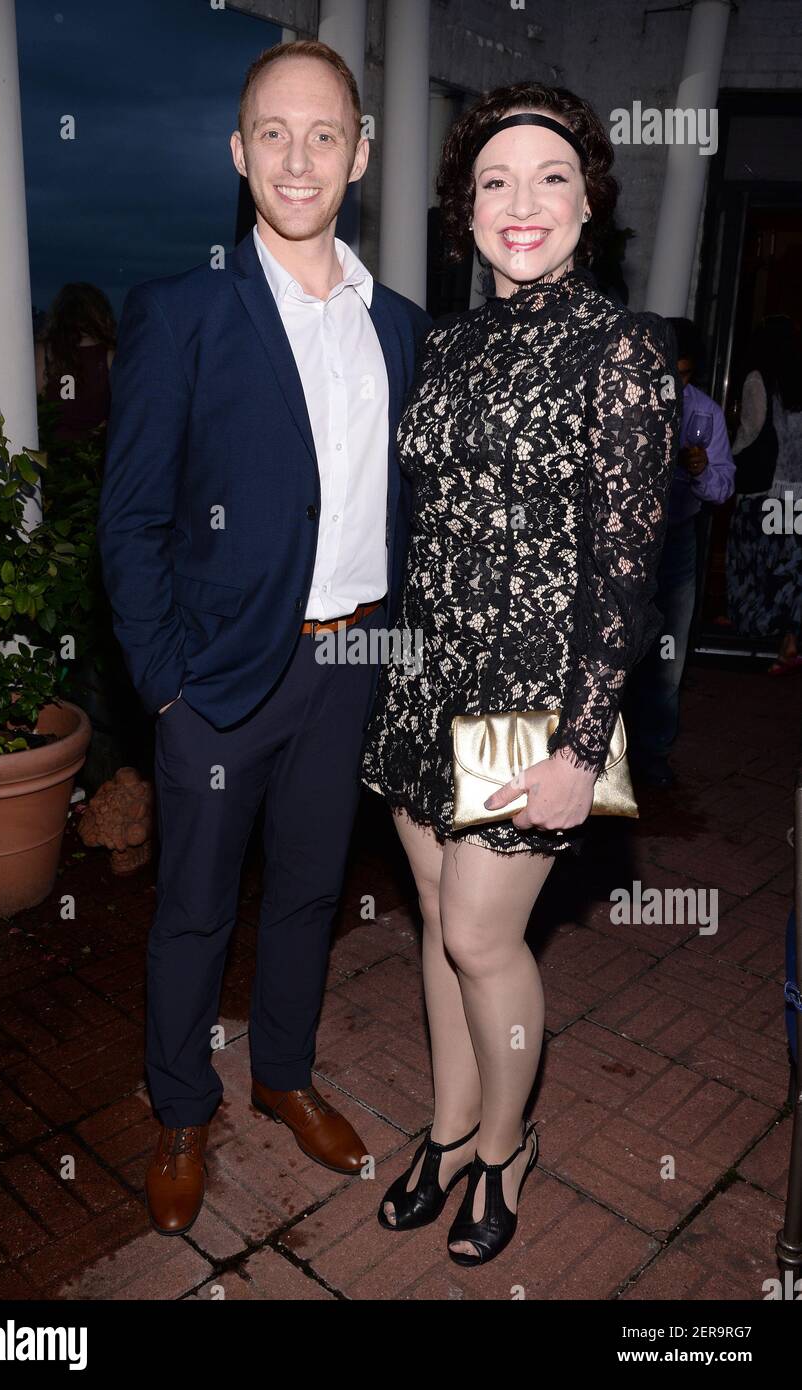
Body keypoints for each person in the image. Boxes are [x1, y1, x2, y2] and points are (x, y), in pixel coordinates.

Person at [97, 40, 430, 1237]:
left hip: (348, 663)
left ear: (359, 153)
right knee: (192, 905)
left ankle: (282, 1073)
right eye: (273, 134)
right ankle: (181, 1107)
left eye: (324, 133)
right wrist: (167, 683)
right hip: (220, 678)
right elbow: (129, 517)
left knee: (305, 891)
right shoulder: (182, 312)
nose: (299, 158)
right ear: (240, 154)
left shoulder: (400, 328)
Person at [360, 82, 681, 1266]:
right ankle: (444, 1132)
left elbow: (625, 573)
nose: (521, 201)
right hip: (424, 675)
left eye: (550, 176)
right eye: (494, 180)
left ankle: (504, 1146)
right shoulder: (443, 346)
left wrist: (579, 744)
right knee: (440, 926)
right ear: (465, 211)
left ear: (589, 201)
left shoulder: (622, 350)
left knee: (488, 941)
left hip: (529, 699)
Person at [625, 317, 735, 786]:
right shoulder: (624, 397)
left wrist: (702, 469)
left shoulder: (705, 414)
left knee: (668, 657)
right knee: (615, 646)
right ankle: (606, 753)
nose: (675, 383)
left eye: (685, 374)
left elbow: (723, 490)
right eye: (668, 370)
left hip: (676, 543)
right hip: (625, 541)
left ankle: (653, 756)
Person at [725, 316, 802, 674]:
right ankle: (788, 639)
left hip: (763, 491)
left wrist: (728, 456)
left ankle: (757, 633)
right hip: (794, 492)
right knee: (786, 568)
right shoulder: (796, 380)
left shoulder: (759, 378)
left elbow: (751, 428)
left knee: (753, 565)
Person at [35, 283, 116, 443]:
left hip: (51, 450)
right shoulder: (109, 355)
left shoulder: (43, 352)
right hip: (92, 452)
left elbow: (36, 405)